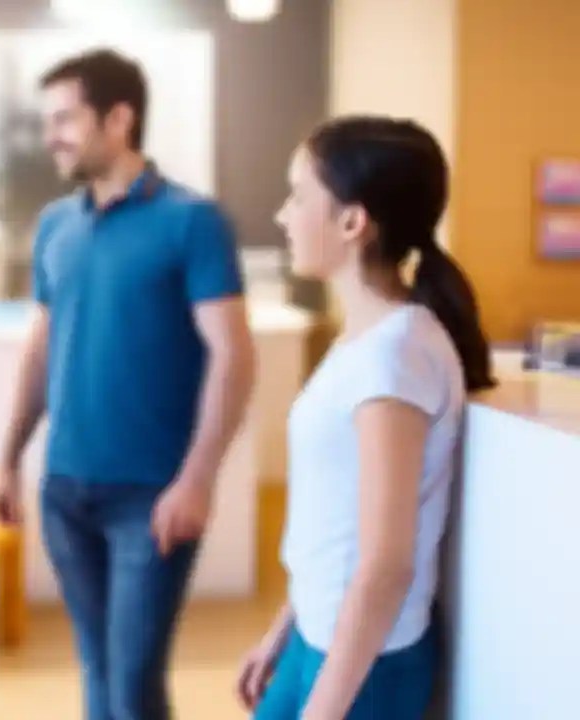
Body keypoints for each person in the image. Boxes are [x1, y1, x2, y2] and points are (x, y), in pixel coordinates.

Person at [0, 49, 256, 719]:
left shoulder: (193, 221)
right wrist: (8, 456)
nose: (50, 135)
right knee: (99, 671)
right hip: (66, 491)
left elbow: (234, 355)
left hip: (152, 497)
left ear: (118, 118)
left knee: (133, 684)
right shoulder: (56, 224)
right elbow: (42, 348)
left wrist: (198, 479)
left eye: (64, 118)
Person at [236, 117, 495, 719]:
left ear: (353, 222)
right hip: (322, 637)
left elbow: (384, 565)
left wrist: (324, 706)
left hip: (365, 666)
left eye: (299, 196)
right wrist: (283, 633)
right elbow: (338, 523)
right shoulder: (370, 339)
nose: (283, 215)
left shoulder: (395, 356)